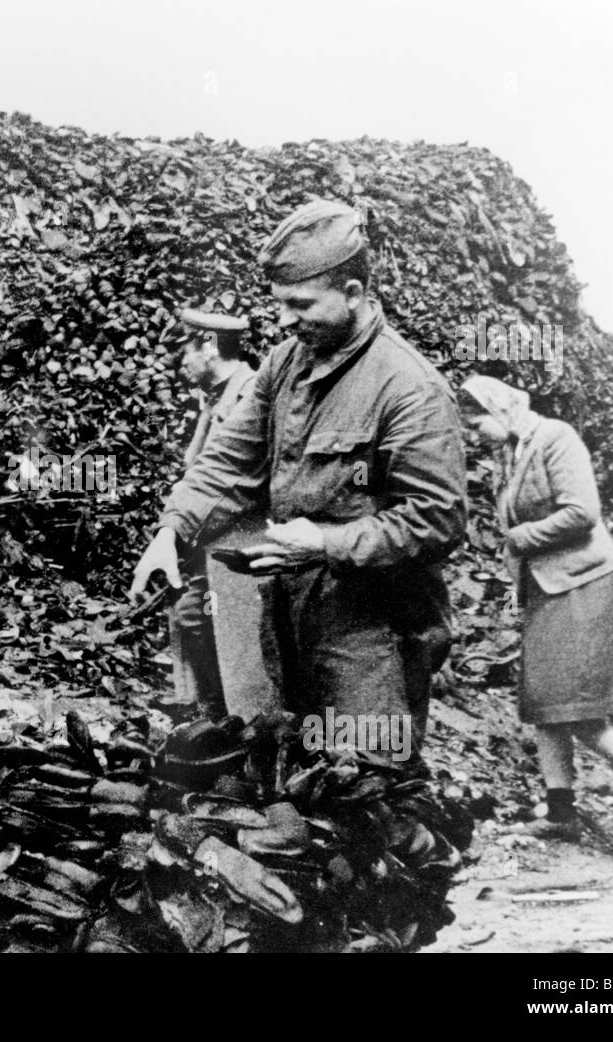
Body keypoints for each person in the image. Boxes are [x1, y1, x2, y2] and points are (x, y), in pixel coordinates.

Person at [130, 200, 466, 756]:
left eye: (301, 304)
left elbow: (438, 521)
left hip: (372, 633)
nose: (284, 319)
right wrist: (171, 529)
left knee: (368, 788)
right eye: (280, 303)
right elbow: (227, 459)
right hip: (290, 614)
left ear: (354, 294)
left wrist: (326, 542)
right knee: (301, 781)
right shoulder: (286, 363)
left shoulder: (409, 387)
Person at [459, 375, 613, 836]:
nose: (473, 435)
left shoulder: (555, 437)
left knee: (572, 702)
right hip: (547, 587)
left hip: (586, 583)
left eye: (476, 424)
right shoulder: (507, 454)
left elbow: (581, 512)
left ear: (501, 410)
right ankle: (561, 812)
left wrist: (520, 538)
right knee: (541, 701)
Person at [166, 308, 271, 721]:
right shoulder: (215, 398)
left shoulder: (250, 395)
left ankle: (236, 725)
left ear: (209, 347)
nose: (182, 364)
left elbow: (247, 481)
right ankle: (216, 720)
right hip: (212, 543)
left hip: (243, 545)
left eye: (185, 353)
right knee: (194, 617)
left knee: (238, 643)